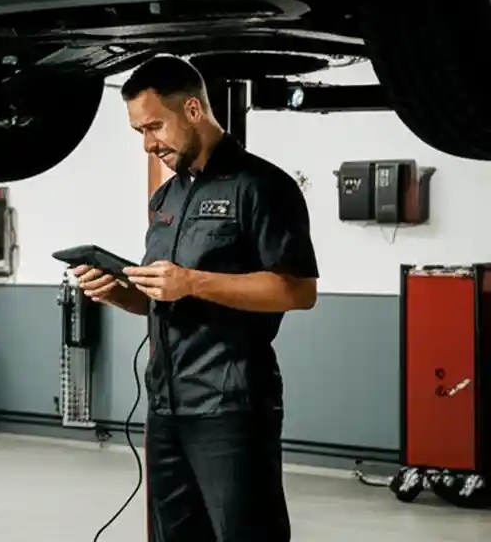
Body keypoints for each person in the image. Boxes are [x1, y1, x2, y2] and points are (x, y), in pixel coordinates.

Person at [72, 55, 319, 542]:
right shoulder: (166, 199)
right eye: (139, 132)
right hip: (166, 406)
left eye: (154, 127)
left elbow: (299, 290)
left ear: (191, 110)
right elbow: (164, 297)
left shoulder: (262, 186)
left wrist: (192, 282)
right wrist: (121, 294)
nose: (148, 144)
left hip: (231, 407)